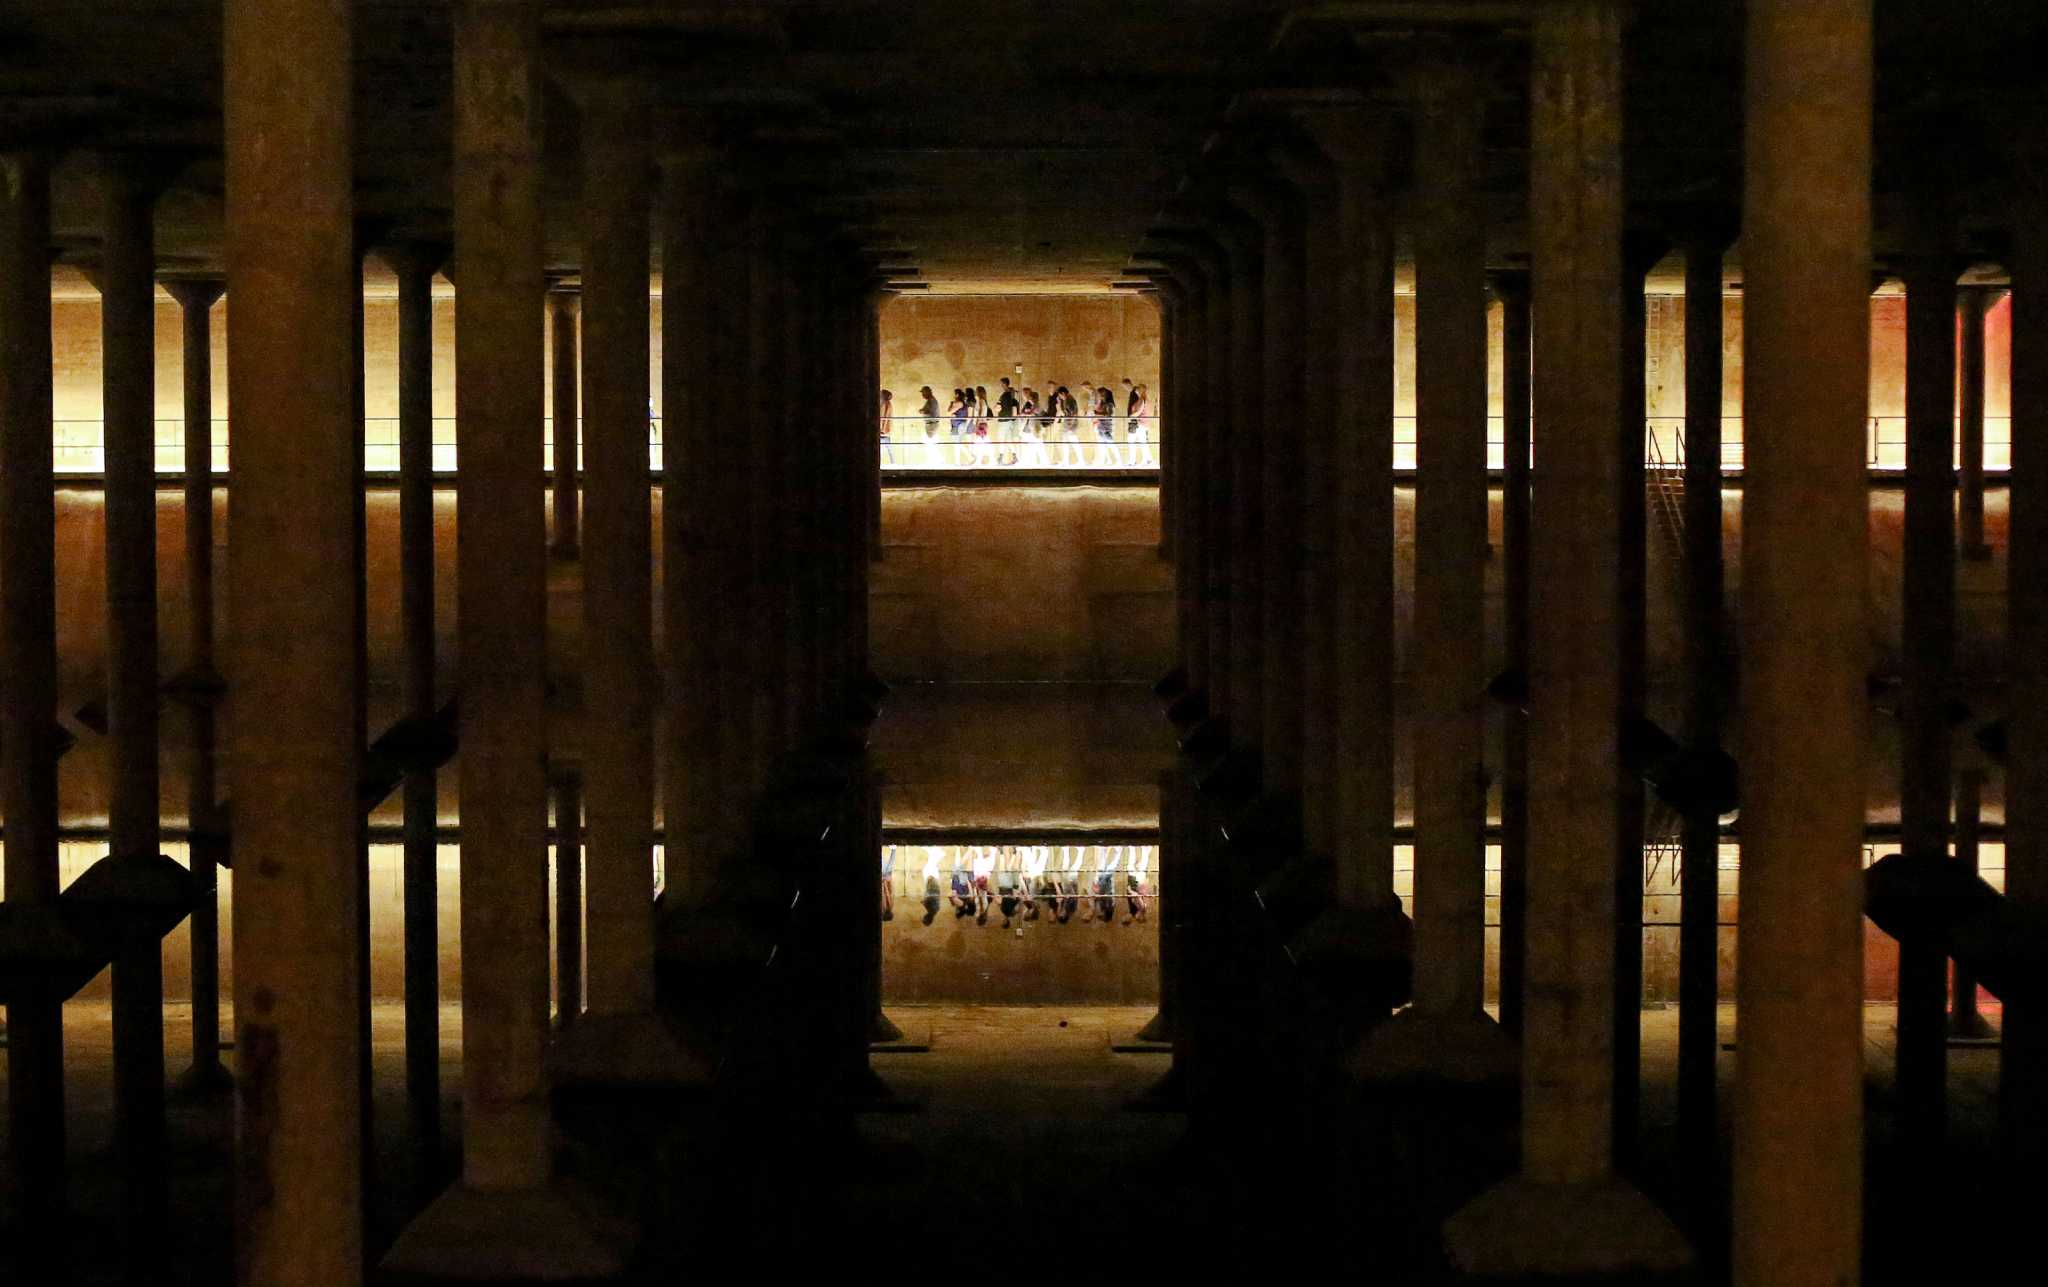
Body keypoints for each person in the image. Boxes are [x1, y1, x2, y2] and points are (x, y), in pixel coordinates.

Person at [1128, 383, 1153, 467]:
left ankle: (1134, 461)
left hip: (1139, 424)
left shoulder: (1142, 399)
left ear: (1142, 390)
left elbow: (1138, 412)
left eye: (1139, 388)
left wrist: (1131, 416)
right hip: (1143, 424)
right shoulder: (1145, 399)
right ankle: (1147, 459)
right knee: (1142, 441)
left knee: (1132, 441)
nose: (1137, 390)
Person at [970, 844, 997, 924]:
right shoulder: (982, 909)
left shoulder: (983, 909)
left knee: (985, 863)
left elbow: (982, 895)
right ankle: (980, 847)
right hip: (981, 882)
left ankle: (987, 848)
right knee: (983, 862)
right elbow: (980, 895)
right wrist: (976, 886)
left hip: (981, 882)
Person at [921, 847, 944, 925]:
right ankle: (938, 853)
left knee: (931, 865)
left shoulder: (935, 911)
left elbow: (934, 897)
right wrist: (924, 902)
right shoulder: (930, 909)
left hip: (935, 884)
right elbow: (930, 897)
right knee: (929, 867)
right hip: (932, 884)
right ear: (927, 918)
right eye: (924, 918)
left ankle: (933, 852)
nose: (923, 917)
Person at [879, 388, 895, 465]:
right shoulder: (889, 404)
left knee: (882, 450)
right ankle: (893, 464)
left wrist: (881, 429)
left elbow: (882, 417)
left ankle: (881, 464)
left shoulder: (884, 404)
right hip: (886, 432)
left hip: (883, 431)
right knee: (889, 450)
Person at [880, 844, 895, 922]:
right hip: (883, 877)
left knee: (890, 862)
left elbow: (891, 891)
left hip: (888, 876)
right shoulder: (883, 907)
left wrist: (889, 880)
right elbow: (883, 894)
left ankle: (894, 849)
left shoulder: (891, 906)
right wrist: (883, 883)